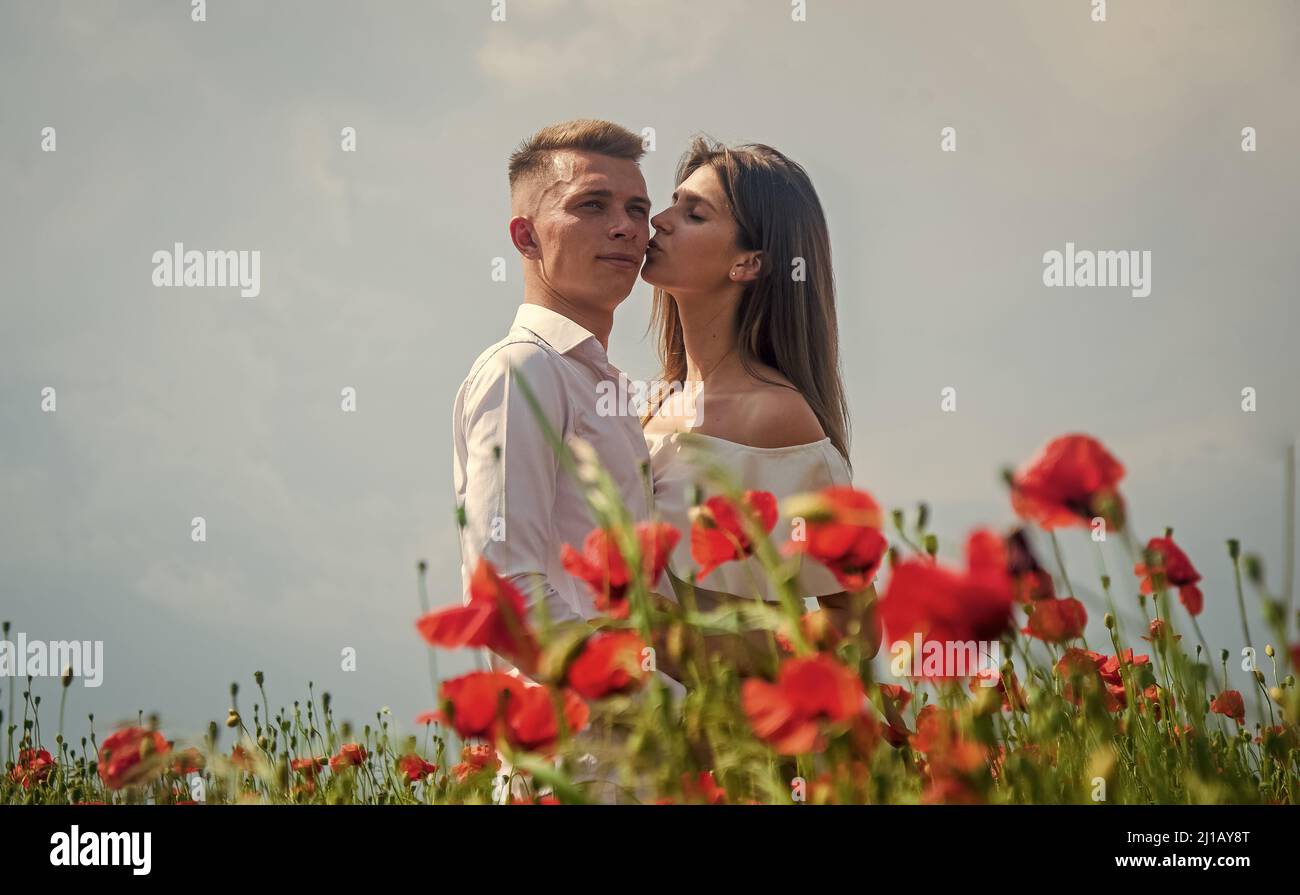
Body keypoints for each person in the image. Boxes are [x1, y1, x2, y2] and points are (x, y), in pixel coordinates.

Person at [451, 119, 679, 803]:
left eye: (638, 209)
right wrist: (659, 701)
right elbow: (506, 593)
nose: (628, 228)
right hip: (575, 765)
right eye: (592, 205)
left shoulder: (598, 381)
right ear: (525, 236)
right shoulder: (524, 369)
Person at [640, 137, 881, 680]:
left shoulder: (777, 417)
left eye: (693, 213)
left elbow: (858, 628)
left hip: (733, 747)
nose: (659, 220)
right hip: (651, 743)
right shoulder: (653, 407)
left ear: (748, 263)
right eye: (672, 203)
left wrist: (749, 688)